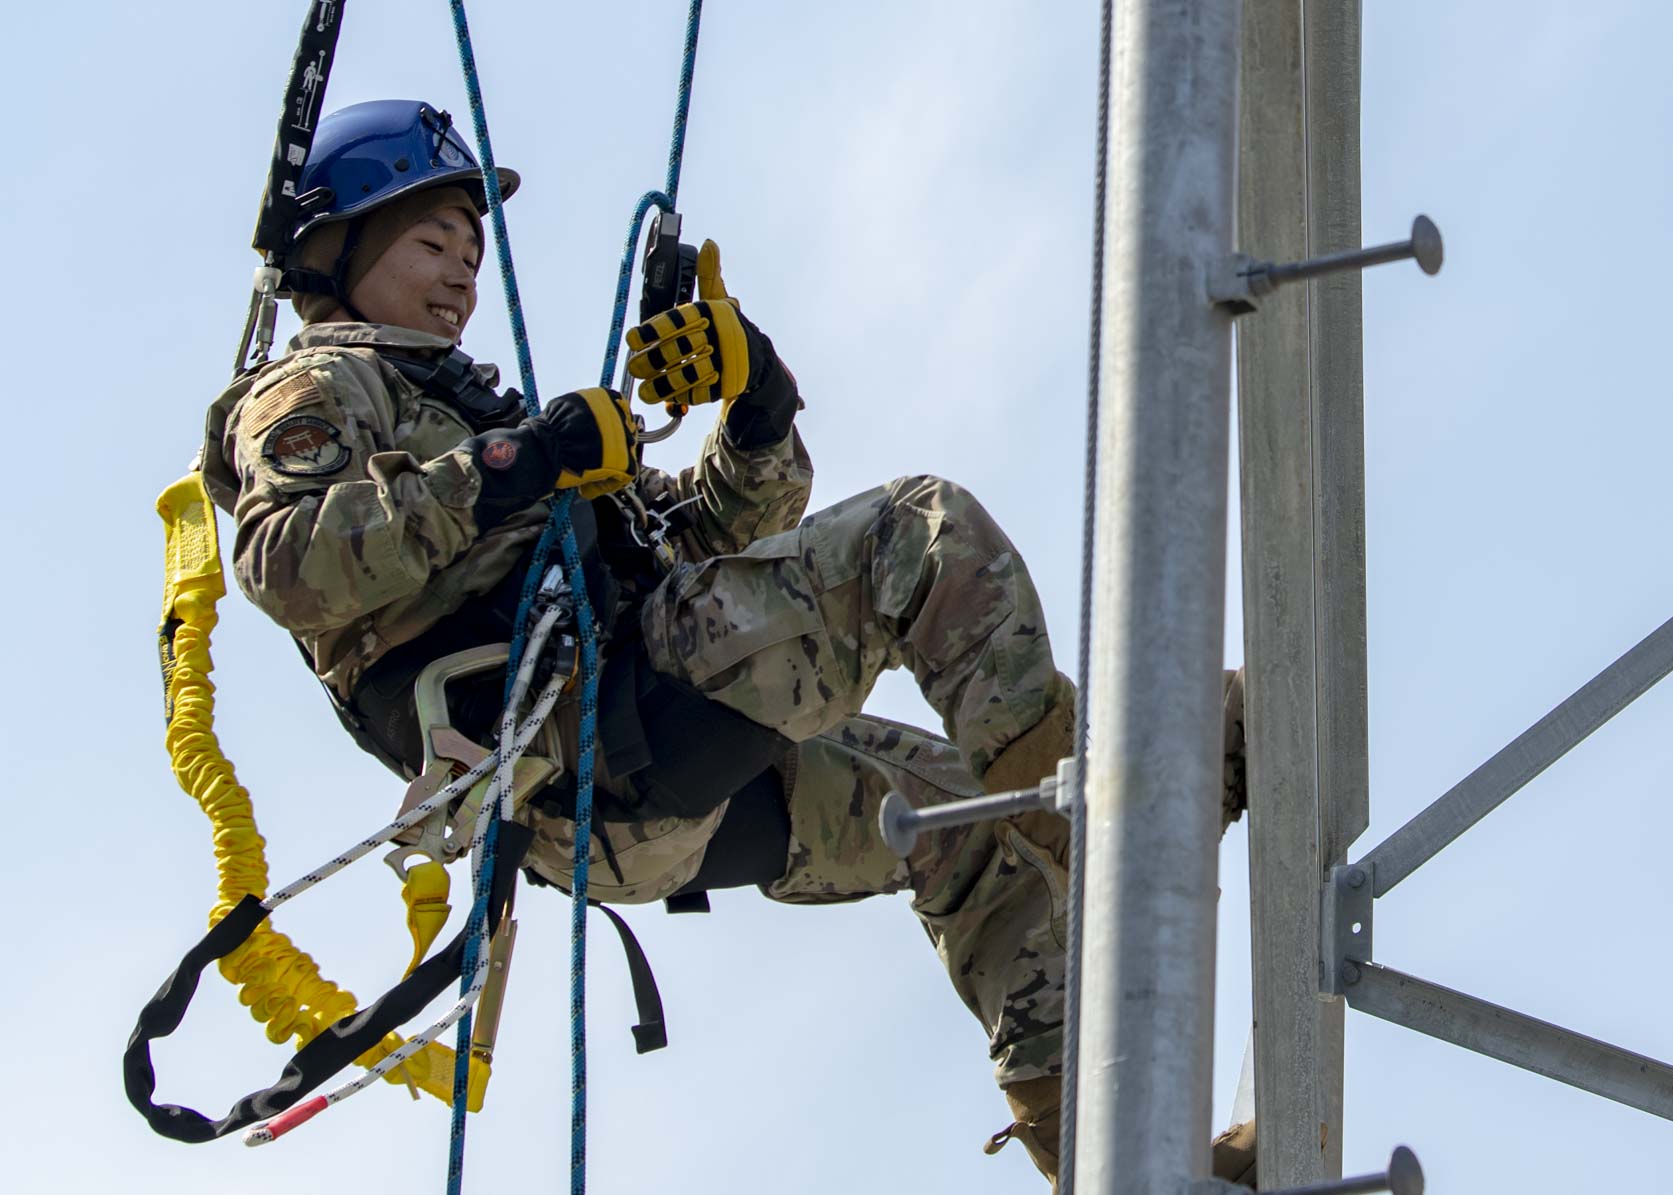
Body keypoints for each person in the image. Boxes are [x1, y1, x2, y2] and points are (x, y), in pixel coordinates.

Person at [199, 99, 1249, 1191]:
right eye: (431, 244)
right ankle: (1126, 808)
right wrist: (516, 463)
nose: (463, 273)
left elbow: (701, 545)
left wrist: (753, 407)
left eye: (471, 249)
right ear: (333, 253)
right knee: (913, 535)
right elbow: (288, 561)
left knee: (964, 827)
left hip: (635, 765)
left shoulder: (465, 412)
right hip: (589, 730)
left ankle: (1111, 1157)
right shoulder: (318, 386)